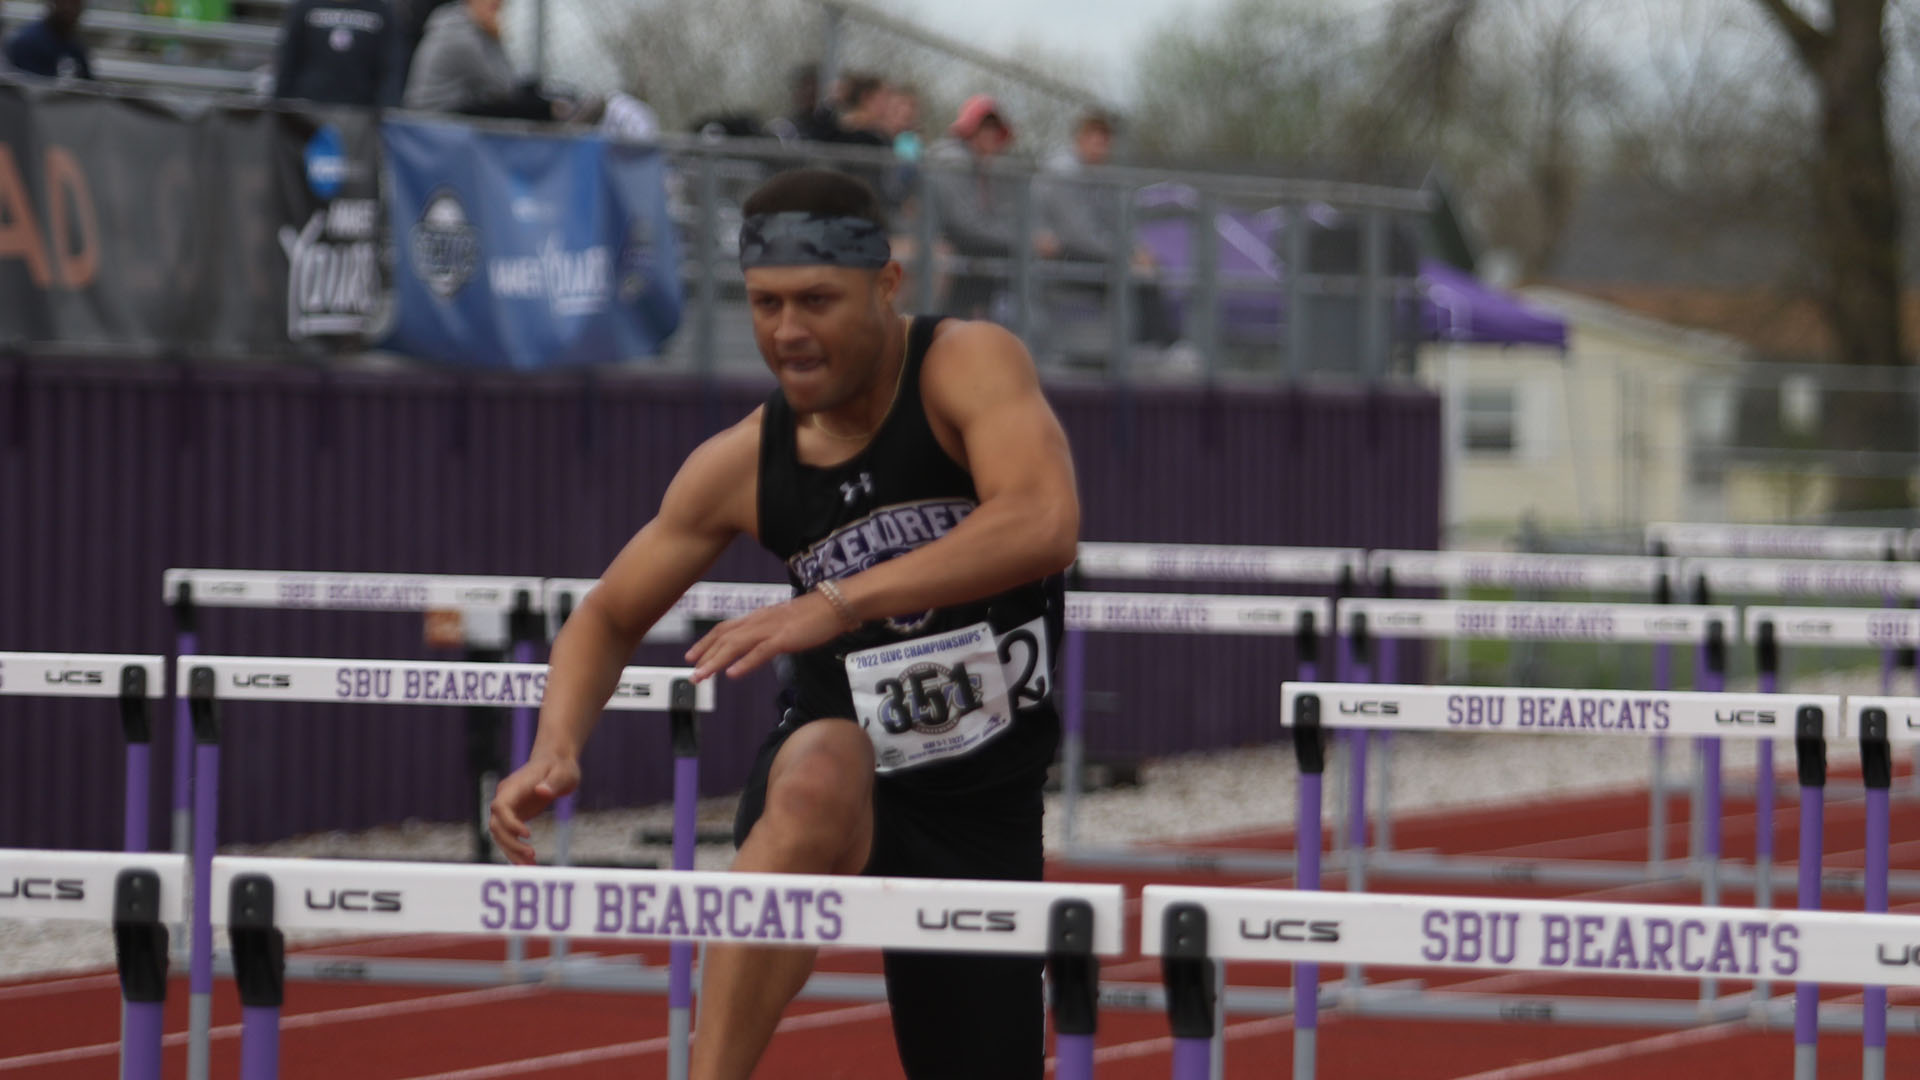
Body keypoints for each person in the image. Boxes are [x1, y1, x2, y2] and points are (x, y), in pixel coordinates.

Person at [489, 168, 1079, 1080]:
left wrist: (839, 599)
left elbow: (1042, 521)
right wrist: (555, 746)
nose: (788, 332)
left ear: (887, 284)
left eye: (817, 300)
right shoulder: (739, 464)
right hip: (840, 764)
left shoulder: (965, 364)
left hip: (980, 797)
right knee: (820, 773)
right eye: (765, 303)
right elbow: (605, 616)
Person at [925, 95, 1059, 320]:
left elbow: (998, 217)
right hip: (943, 248)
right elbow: (965, 226)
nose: (991, 136)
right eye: (984, 128)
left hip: (963, 251)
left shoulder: (982, 166)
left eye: (995, 130)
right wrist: (1026, 240)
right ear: (968, 131)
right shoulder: (954, 160)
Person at [402, 0, 558, 119]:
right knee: (527, 108)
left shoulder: (469, 28)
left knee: (531, 95)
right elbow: (502, 87)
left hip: (451, 113)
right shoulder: (460, 37)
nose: (498, 5)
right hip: (434, 120)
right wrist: (497, 40)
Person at [271, 0, 397, 107]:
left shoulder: (381, 12)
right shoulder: (306, 6)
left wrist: (386, 106)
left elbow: (392, 66)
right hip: (306, 106)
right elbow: (288, 58)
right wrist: (279, 100)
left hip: (360, 109)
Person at [4, 0, 92, 80]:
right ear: (51, 4)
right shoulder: (27, 41)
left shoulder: (74, 44)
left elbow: (88, 83)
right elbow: (29, 90)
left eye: (75, 4)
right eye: (64, 2)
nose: (69, 9)